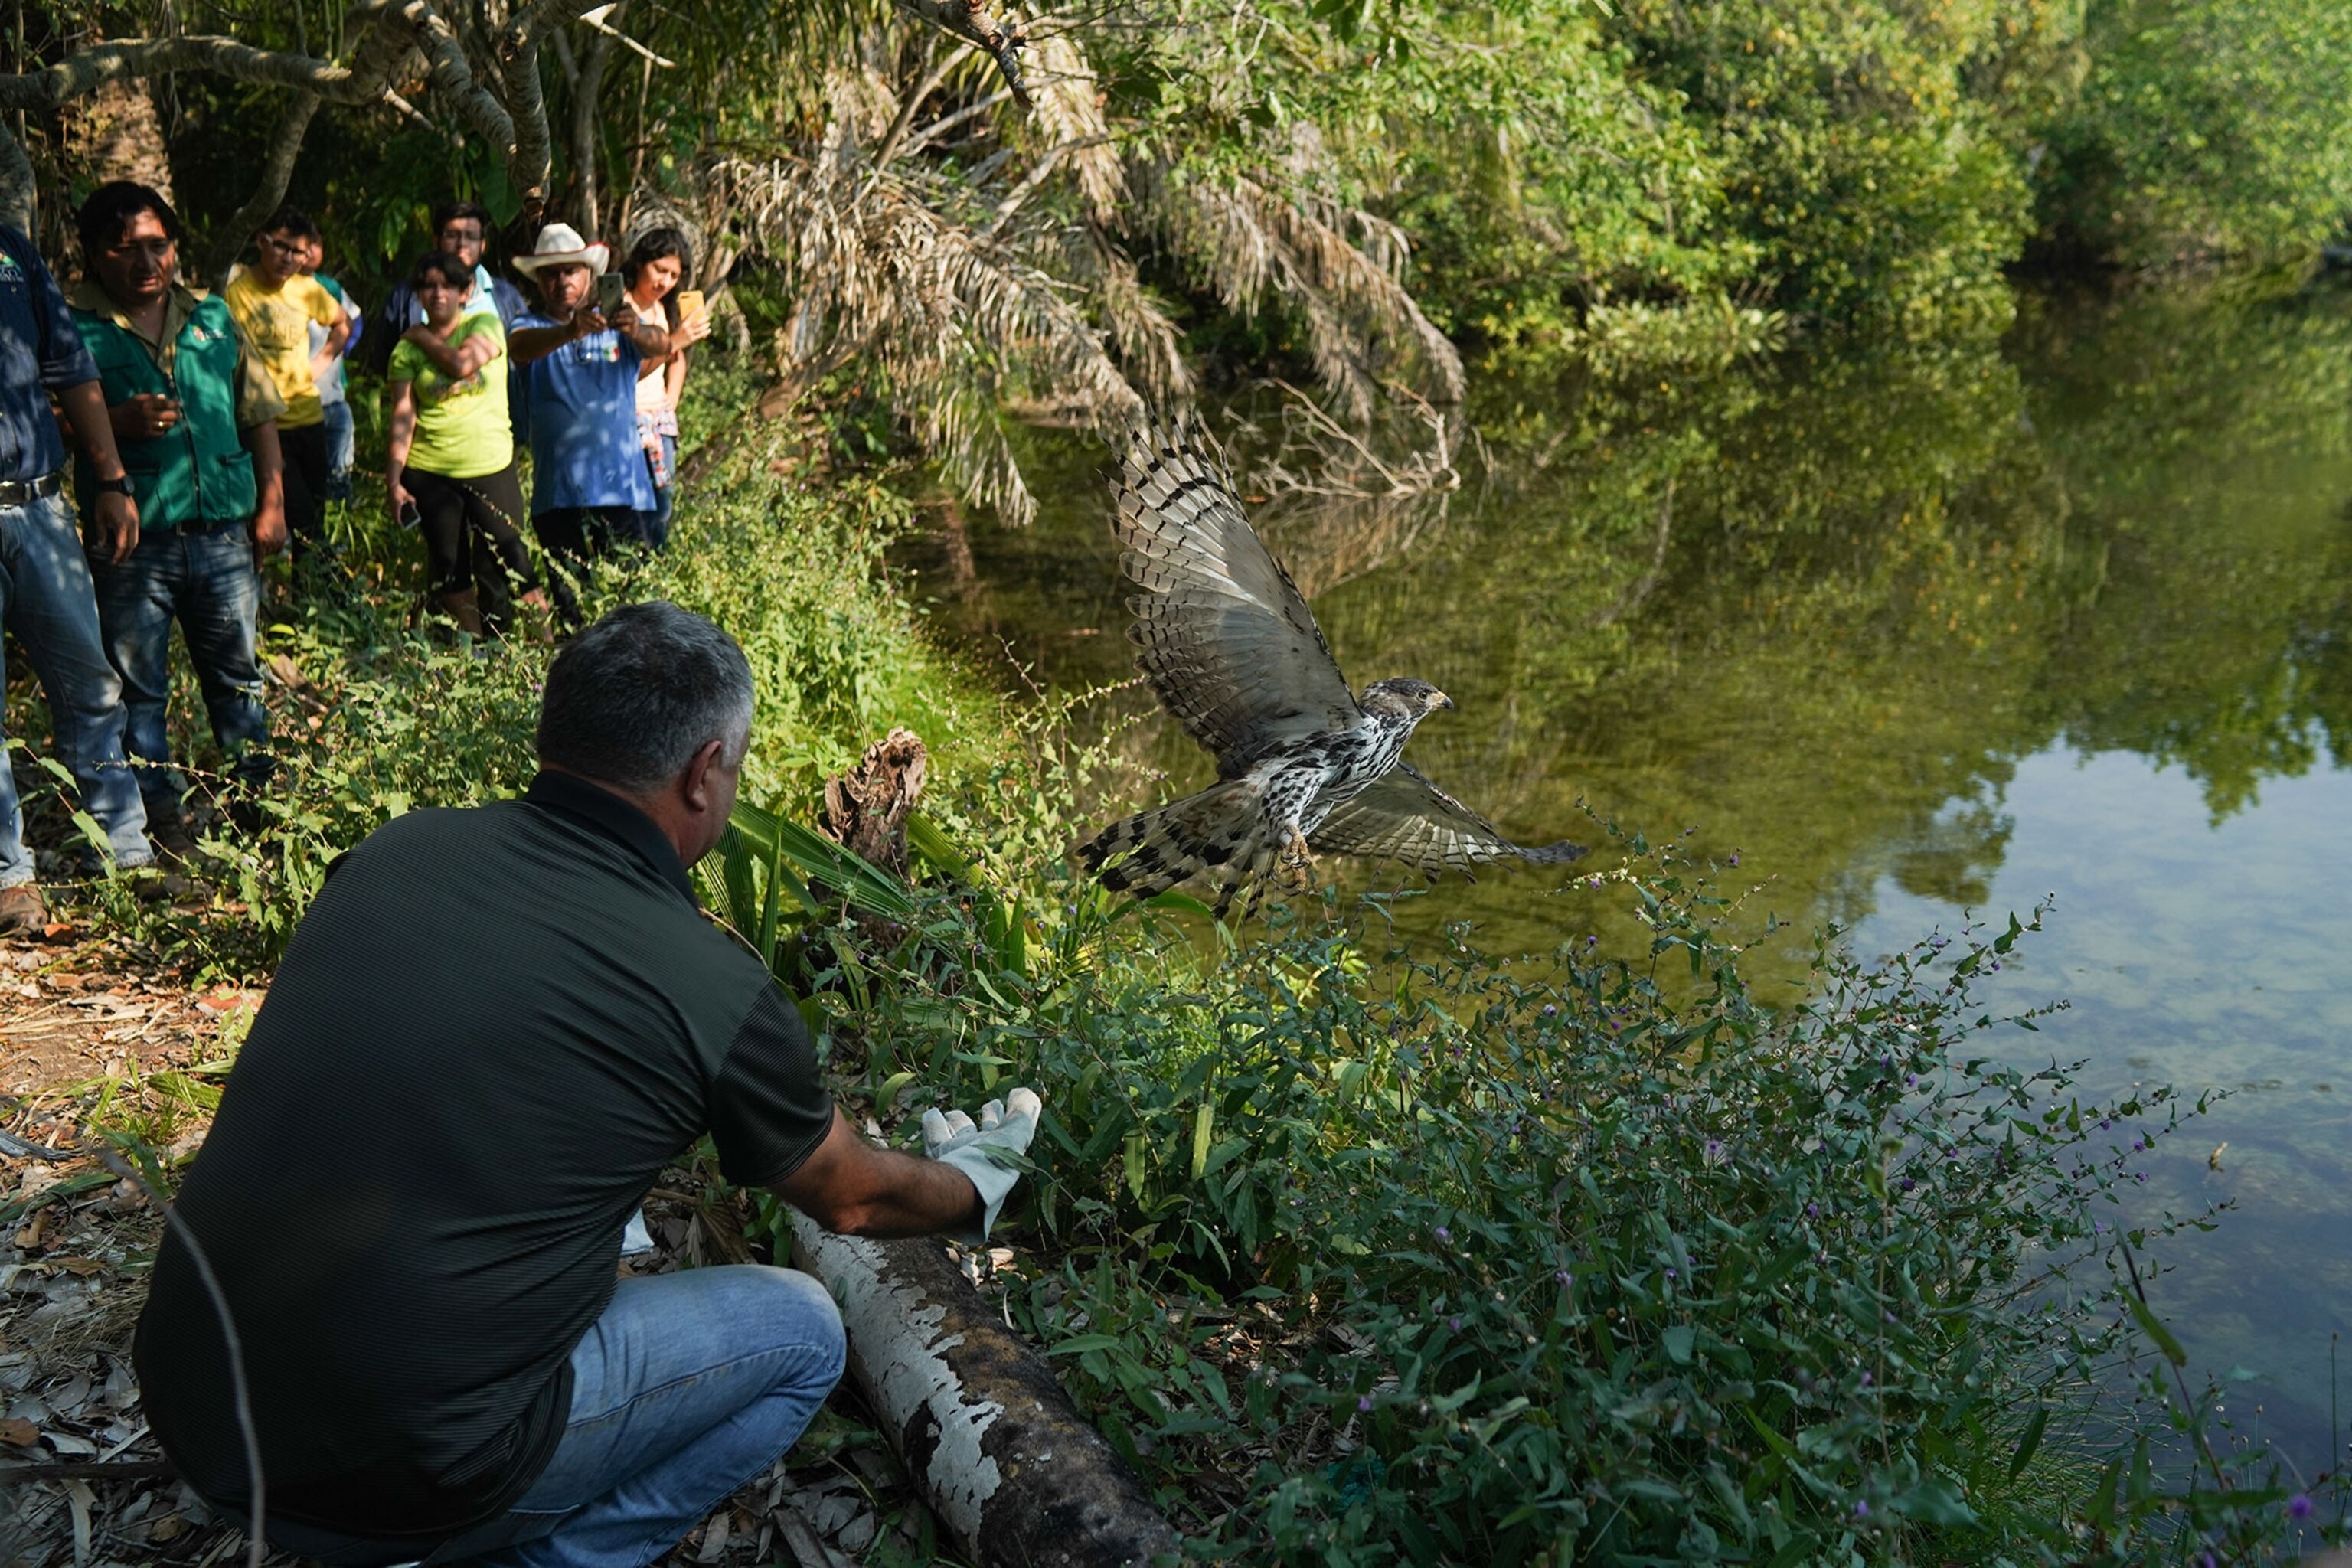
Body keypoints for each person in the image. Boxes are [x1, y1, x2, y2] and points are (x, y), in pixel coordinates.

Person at [132, 601, 1042, 1566]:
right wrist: (974, 1183)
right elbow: (851, 1197)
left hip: (198, 1414)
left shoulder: (398, 849)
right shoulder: (709, 984)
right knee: (806, 1331)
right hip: (406, 1477)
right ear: (704, 772)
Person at [67, 182, 286, 848]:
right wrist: (115, 421)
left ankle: (261, 818)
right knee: (139, 694)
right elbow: (41, 420)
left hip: (222, 537)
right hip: (134, 548)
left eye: (157, 245)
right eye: (124, 248)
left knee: (239, 684)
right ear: (93, 255)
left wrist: (272, 504)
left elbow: (258, 412)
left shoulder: (211, 315)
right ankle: (164, 829)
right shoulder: (73, 325)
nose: (146, 262)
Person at [0, 219, 155, 934]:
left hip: (39, 506)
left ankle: (125, 854)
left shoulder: (11, 249)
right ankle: (10, 879)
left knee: (91, 686)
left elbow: (70, 367)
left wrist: (112, 480)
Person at [508, 224, 703, 624]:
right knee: (574, 616)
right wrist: (569, 331)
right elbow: (519, 348)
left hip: (625, 493)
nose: (563, 281)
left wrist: (635, 329)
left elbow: (663, 344)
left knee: (634, 616)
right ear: (539, 280)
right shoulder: (529, 327)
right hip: (558, 496)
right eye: (551, 273)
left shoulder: (616, 326)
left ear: (590, 275)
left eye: (572, 271)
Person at [384, 250, 547, 639]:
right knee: (449, 567)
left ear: (465, 291)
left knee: (514, 558)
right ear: (418, 294)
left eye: (447, 285)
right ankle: (477, 652)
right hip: (429, 472)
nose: (438, 293)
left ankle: (548, 649)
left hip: (489, 466)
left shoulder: (485, 325)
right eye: (428, 286)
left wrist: (422, 335)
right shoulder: (404, 352)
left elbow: (461, 365)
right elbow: (403, 415)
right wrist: (394, 481)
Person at [223, 204, 348, 557]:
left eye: (298, 251)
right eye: (281, 246)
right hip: (263, 424)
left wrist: (320, 363)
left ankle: (307, 586)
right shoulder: (236, 291)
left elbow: (343, 323)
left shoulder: (307, 289)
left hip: (308, 417)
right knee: (292, 514)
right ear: (262, 241)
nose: (288, 258)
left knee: (315, 518)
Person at [361, 199, 528, 377]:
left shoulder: (506, 297)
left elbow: (525, 357)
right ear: (436, 241)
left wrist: (422, 337)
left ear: (483, 245)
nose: (462, 244)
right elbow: (386, 362)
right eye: (452, 235)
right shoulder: (406, 296)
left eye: (471, 236)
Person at [620, 228, 703, 550]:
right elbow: (626, 370)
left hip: (659, 422)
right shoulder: (622, 307)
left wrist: (671, 399)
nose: (665, 282)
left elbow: (676, 360)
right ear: (640, 262)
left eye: (673, 275)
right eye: (660, 270)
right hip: (626, 420)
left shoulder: (664, 308)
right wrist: (674, 341)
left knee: (662, 505)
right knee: (630, 508)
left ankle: (652, 567)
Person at [301, 234, 358, 501]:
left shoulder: (328, 287)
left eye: (316, 244)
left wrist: (337, 352)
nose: (310, 251)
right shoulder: (275, 290)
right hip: (299, 405)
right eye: (303, 245)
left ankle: (338, 524)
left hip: (334, 397)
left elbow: (353, 321)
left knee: (339, 474)